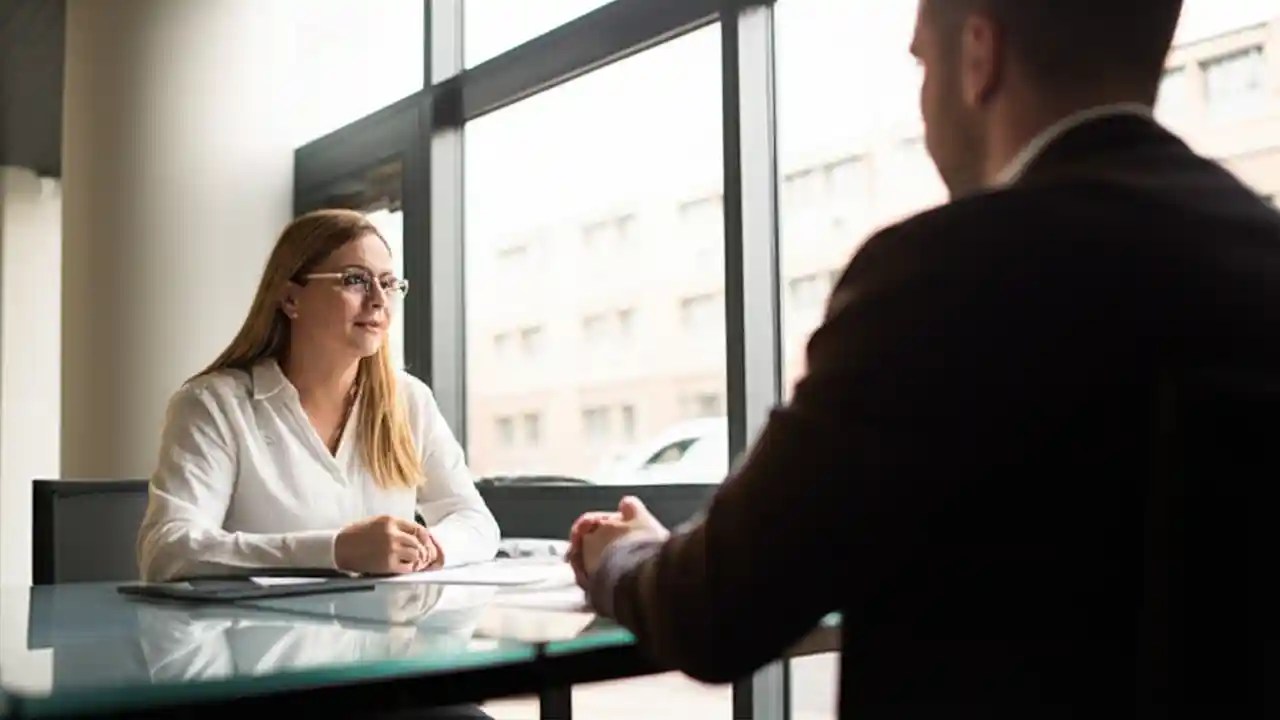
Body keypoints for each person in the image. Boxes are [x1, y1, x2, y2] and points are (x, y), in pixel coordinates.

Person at [569, 0, 1279, 715]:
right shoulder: (1262, 255)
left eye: (922, 63)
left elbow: (714, 612)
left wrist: (621, 556)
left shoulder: (938, 274)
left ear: (979, 56)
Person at [137, 208, 500, 583]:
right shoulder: (213, 405)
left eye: (389, 283)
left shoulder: (410, 401)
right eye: (356, 280)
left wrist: (427, 545)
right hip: (253, 637)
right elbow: (169, 551)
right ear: (291, 299)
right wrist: (336, 551)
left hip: (386, 639)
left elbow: (477, 523)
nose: (378, 300)